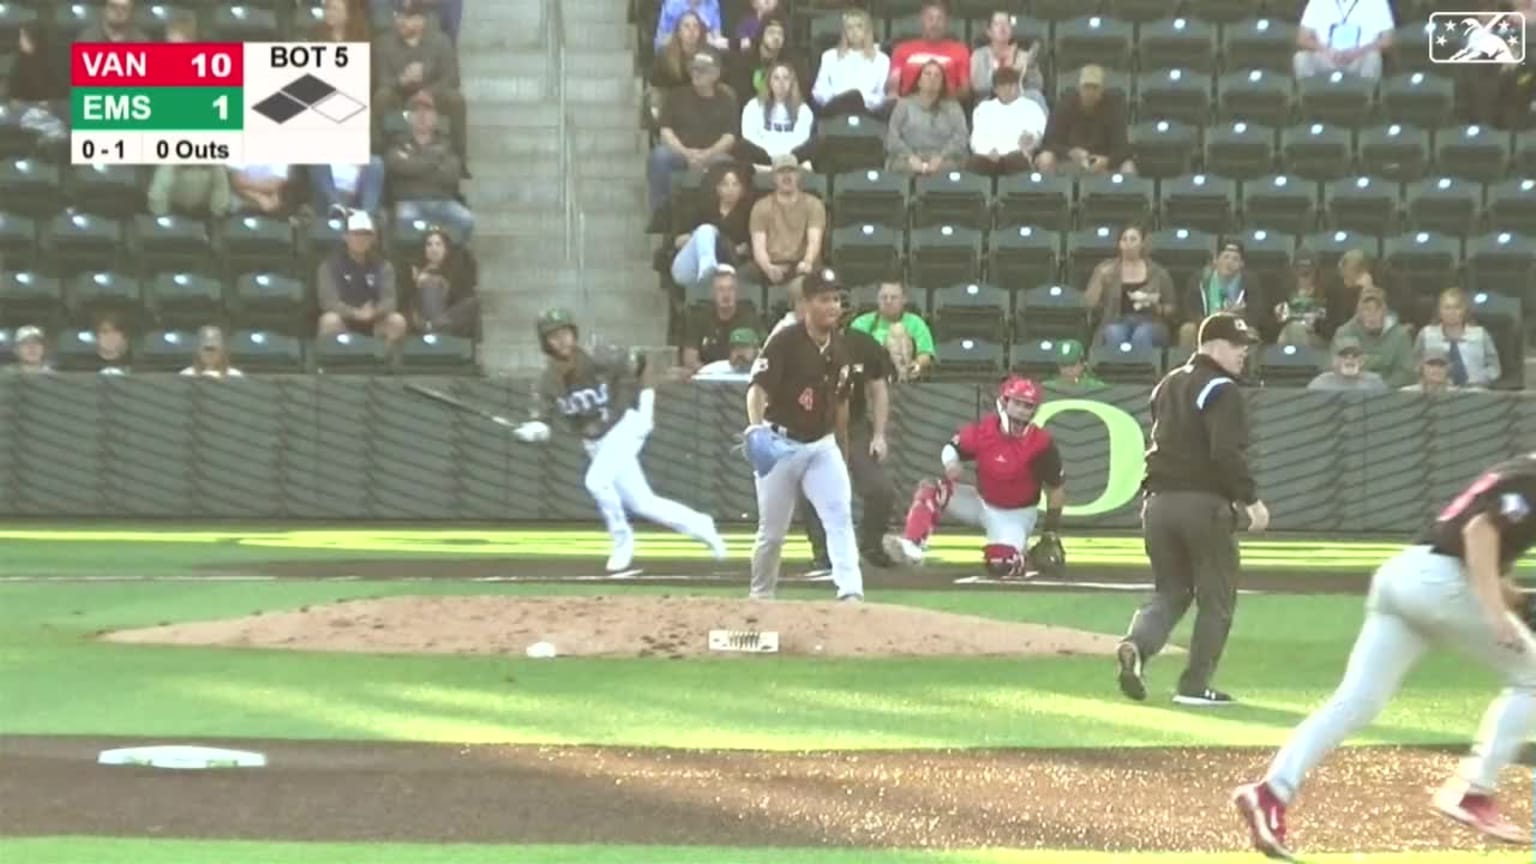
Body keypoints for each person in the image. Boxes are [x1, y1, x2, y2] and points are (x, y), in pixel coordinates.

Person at [1234, 452, 1536, 860]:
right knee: (1531, 680)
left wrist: (1512, 602)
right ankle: (1474, 792)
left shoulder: (1520, 468)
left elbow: (1480, 544)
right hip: (1442, 582)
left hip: (1404, 575)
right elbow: (1481, 531)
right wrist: (1494, 611)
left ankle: (1271, 792)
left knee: (1356, 701)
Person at [1116, 313, 1270, 707]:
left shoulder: (1167, 384)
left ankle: (1138, 644)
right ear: (1215, 346)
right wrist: (1250, 501)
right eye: (1238, 346)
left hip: (1158, 506)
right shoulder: (1223, 389)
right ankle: (1195, 686)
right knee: (1216, 598)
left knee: (1170, 591)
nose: (1243, 354)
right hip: (1202, 504)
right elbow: (1224, 452)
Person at [514, 309, 727, 573]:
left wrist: (647, 408)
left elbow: (643, 364)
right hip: (595, 444)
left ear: (573, 333)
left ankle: (622, 541)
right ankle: (700, 525)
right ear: (545, 343)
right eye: (553, 337)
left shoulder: (597, 355)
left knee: (596, 481)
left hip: (623, 427)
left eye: (565, 333)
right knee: (643, 503)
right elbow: (542, 420)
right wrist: (535, 429)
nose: (562, 341)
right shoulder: (547, 381)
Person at [743, 269, 864, 603]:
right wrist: (755, 428)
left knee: (839, 516)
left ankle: (851, 591)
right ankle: (761, 596)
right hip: (781, 443)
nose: (833, 306)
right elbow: (757, 390)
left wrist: (842, 448)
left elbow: (840, 403)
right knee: (772, 532)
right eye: (824, 299)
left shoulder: (841, 349)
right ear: (806, 304)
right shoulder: (785, 341)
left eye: (837, 299)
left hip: (821, 446)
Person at [886, 376, 1067, 581]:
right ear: (1005, 402)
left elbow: (1056, 489)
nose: (1022, 411)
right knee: (931, 488)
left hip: (1015, 515)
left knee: (1001, 564)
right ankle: (912, 545)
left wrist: (1050, 532)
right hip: (980, 501)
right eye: (1017, 403)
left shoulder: (1041, 444)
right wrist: (951, 463)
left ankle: (1022, 555)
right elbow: (951, 448)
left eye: (1028, 406)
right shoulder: (985, 431)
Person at [801, 290, 899, 573]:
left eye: (838, 305)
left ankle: (870, 544)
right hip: (812, 427)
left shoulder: (862, 344)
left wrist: (879, 434)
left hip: (854, 427)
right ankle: (823, 552)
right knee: (810, 491)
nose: (834, 310)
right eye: (827, 302)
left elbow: (879, 389)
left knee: (880, 490)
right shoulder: (799, 341)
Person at [1084, 224, 1175, 349]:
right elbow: (1089, 303)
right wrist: (1100, 280)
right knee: (1114, 333)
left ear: (1142, 244)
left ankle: (1141, 368)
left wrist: (1155, 306)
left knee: (1141, 335)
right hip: (1116, 321)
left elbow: (1172, 308)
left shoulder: (1158, 272)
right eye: (1124, 239)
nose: (1128, 244)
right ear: (1119, 244)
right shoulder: (1106, 269)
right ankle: (1118, 368)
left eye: (1133, 239)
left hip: (1152, 322)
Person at [1034, 65, 1133, 175]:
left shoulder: (1113, 109)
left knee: (1128, 167)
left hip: (1102, 161)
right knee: (1045, 158)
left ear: (1102, 90)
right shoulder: (1064, 106)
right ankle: (1049, 192)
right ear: (1079, 88)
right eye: (1086, 87)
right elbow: (1048, 142)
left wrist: (1107, 161)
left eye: (1095, 87)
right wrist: (1069, 152)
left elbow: (1123, 149)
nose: (1090, 92)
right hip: (1068, 160)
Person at [885, 61, 969, 174]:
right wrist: (910, 157)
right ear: (919, 81)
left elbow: (961, 137)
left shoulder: (953, 107)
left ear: (942, 82)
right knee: (900, 167)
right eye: (927, 74)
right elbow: (892, 137)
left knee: (951, 168)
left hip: (943, 158)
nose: (932, 78)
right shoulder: (904, 104)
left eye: (937, 75)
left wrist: (941, 157)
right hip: (908, 157)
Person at [809, 8, 890, 118]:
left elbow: (882, 95)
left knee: (855, 96)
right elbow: (818, 90)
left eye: (859, 26)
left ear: (867, 30)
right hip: (835, 110)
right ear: (844, 32)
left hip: (868, 113)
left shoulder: (881, 60)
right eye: (849, 27)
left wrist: (862, 98)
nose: (854, 32)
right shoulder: (829, 56)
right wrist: (836, 97)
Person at [967, 67, 1048, 177]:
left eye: (1011, 85)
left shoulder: (1032, 107)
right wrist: (987, 151)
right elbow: (976, 138)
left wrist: (1030, 143)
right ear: (995, 89)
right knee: (974, 163)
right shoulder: (984, 108)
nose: (1008, 89)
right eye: (1003, 86)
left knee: (1017, 160)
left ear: (1018, 86)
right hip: (990, 155)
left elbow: (1039, 133)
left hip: (1018, 155)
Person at [1415, 287, 1501, 389]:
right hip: (1436, 393)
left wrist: (1478, 379)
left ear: (1464, 310)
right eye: (1447, 308)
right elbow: (1415, 364)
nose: (1452, 312)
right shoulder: (1426, 334)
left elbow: (1494, 368)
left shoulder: (1480, 335)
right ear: (1439, 311)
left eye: (1457, 308)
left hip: (1474, 392)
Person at [694, 327, 760, 381]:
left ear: (756, 350)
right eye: (735, 348)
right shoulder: (712, 371)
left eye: (744, 347)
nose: (739, 353)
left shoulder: (763, 373)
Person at [179, 326, 243, 378]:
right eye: (207, 349)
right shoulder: (187, 375)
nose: (210, 353)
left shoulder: (235, 376)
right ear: (198, 351)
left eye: (213, 349)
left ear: (222, 351)